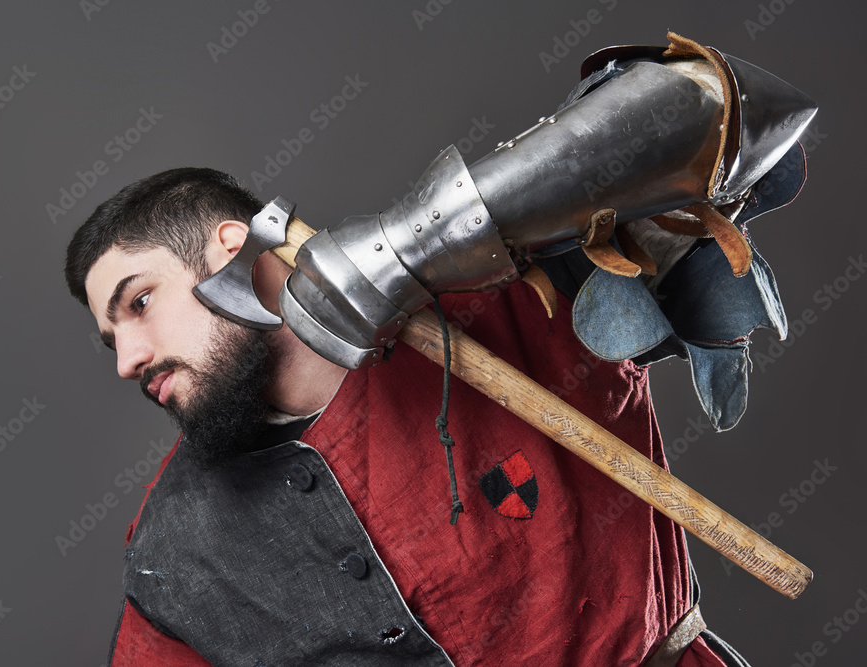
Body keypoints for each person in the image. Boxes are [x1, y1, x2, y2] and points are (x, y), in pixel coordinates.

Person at [64, 167, 755, 666]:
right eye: (110, 337)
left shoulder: (508, 306)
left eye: (141, 302)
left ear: (230, 248)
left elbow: (685, 166)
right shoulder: (172, 548)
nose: (127, 358)